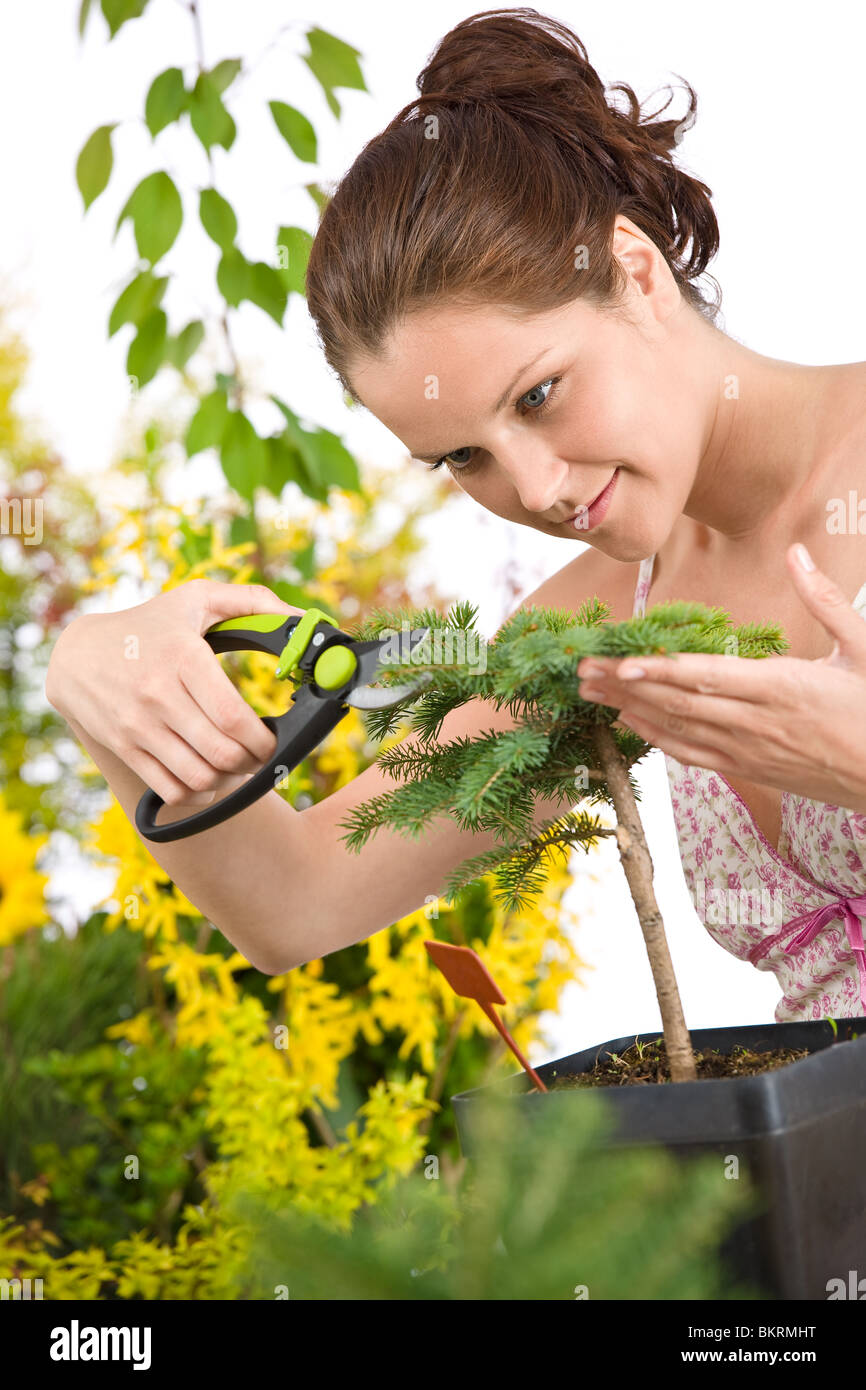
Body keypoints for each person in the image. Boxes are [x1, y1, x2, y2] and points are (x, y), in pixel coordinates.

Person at [47, 9, 866, 1018]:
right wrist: (97, 675)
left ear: (637, 271)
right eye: (463, 456)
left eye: (536, 395)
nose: (531, 489)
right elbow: (299, 904)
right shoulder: (606, 623)